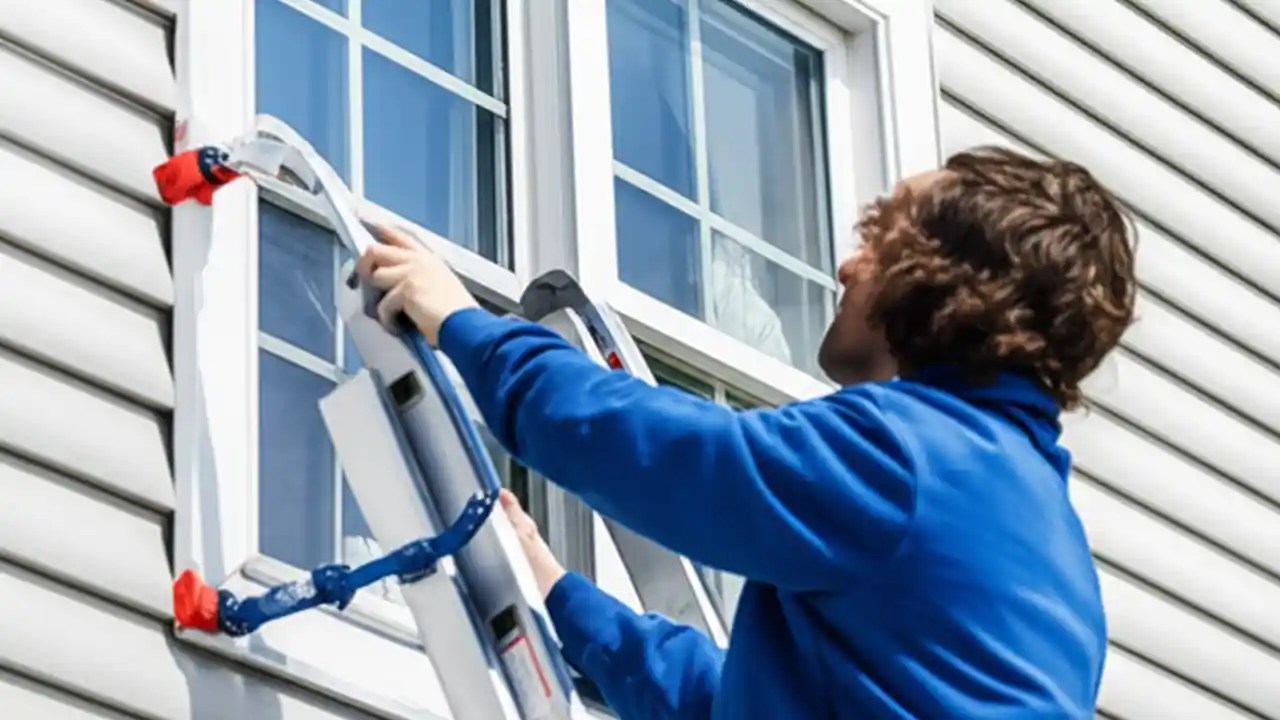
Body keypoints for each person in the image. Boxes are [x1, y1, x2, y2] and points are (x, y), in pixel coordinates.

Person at [355, 146, 1137, 719]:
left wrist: (461, 322)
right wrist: (559, 596)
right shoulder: (1056, 557)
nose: (846, 266)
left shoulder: (910, 460)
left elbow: (663, 454)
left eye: (881, 239)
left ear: (940, 278)